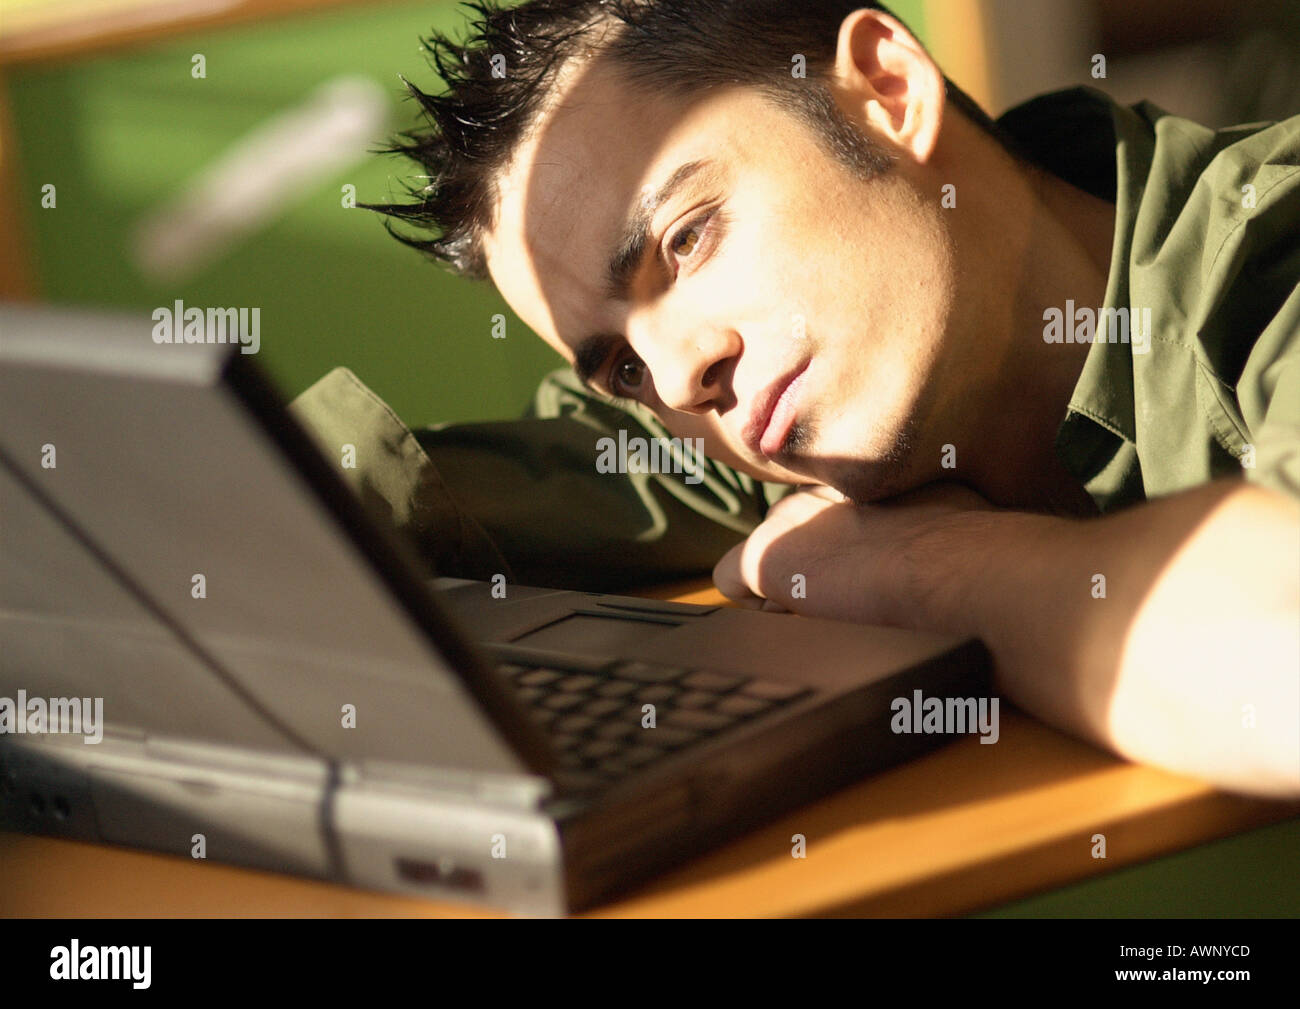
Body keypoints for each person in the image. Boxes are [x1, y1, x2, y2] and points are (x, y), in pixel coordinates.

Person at [292, 0, 1299, 796]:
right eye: (623, 368)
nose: (682, 375)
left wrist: (920, 567)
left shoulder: (1270, 257)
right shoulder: (780, 393)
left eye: (686, 240)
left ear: (887, 91)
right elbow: (356, 498)